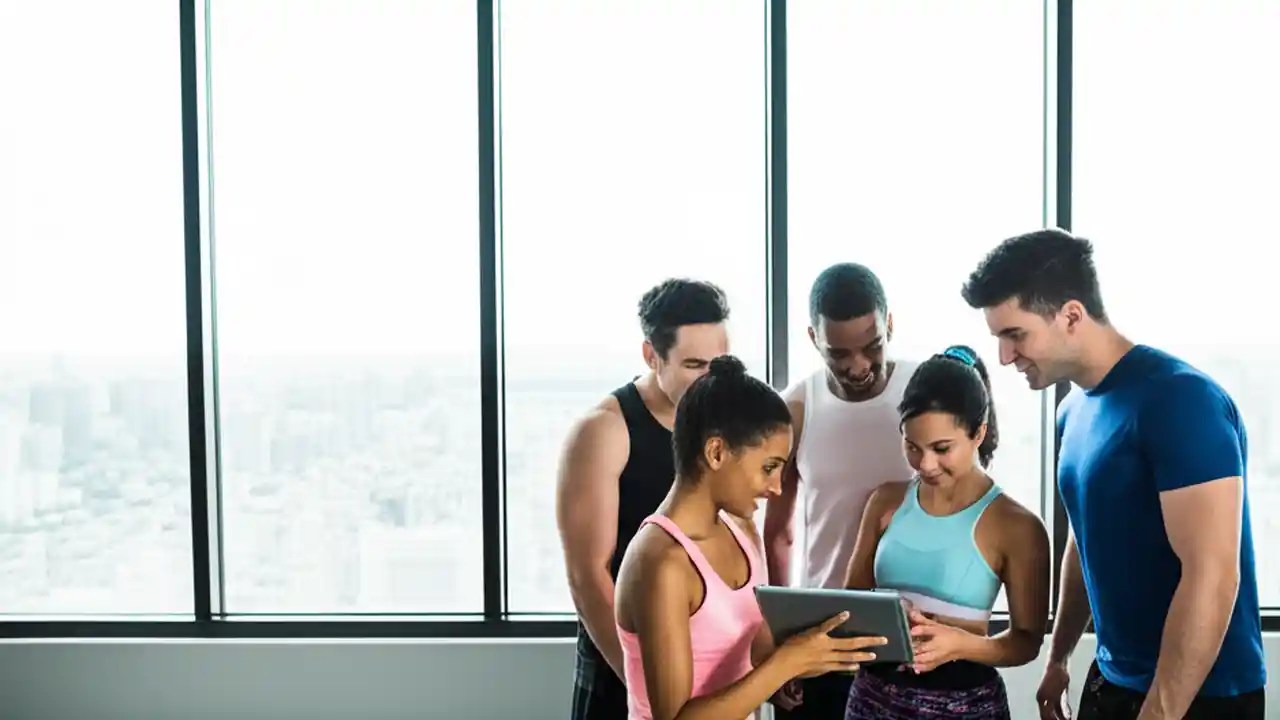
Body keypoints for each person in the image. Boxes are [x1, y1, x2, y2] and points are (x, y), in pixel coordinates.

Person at [962, 228, 1266, 720]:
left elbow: (1213, 575)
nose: (1004, 356)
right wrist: (1059, 656)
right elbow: (1086, 539)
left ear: (1072, 316)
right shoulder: (1073, 411)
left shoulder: (1180, 401)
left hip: (1202, 695)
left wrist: (1161, 711)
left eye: (1014, 334)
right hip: (1111, 679)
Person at [614, 354, 888, 720]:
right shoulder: (661, 562)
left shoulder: (741, 530)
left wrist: (796, 666)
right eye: (769, 467)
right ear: (716, 452)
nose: (777, 487)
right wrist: (784, 665)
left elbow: (751, 650)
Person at [841, 345, 1050, 719]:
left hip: (965, 706)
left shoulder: (1018, 527)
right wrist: (888, 610)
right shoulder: (885, 500)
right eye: (912, 446)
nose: (926, 464)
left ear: (979, 432)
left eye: (941, 448)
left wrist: (960, 645)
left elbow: (1026, 642)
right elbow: (851, 599)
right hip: (872, 698)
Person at [556, 278, 732, 720]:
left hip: (705, 668)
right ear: (652, 355)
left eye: (719, 364)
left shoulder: (721, 424)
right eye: (694, 365)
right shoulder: (603, 431)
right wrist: (642, 683)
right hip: (623, 672)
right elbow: (586, 575)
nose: (709, 381)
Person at [763, 263, 919, 717]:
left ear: (890, 324)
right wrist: (780, 638)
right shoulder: (796, 407)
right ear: (814, 339)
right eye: (839, 353)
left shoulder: (925, 391)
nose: (859, 366)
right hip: (823, 637)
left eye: (872, 346)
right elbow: (778, 532)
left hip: (914, 629)